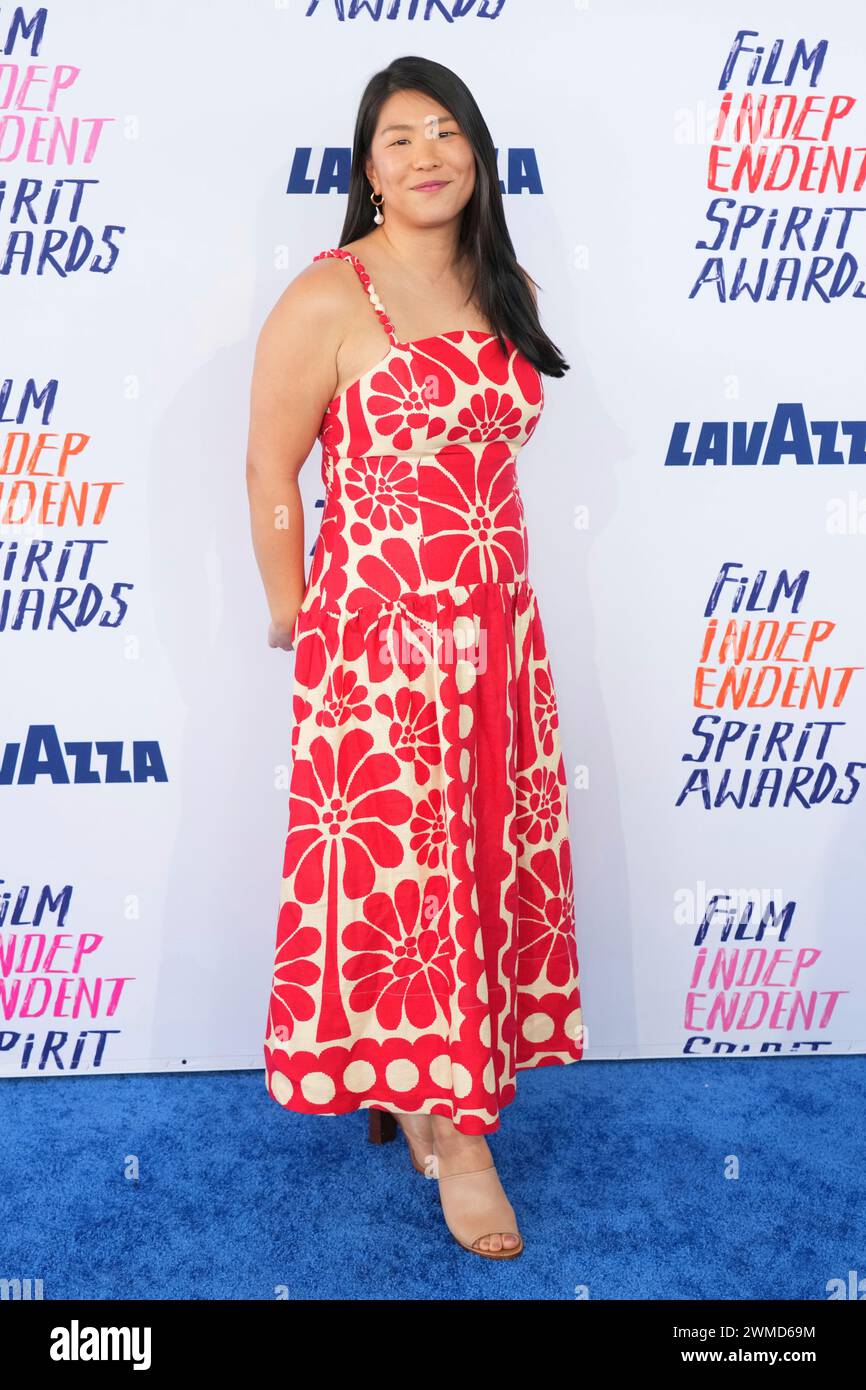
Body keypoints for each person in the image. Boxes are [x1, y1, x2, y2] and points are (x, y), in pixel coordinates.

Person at [246, 54, 583, 1261]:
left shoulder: (508, 286)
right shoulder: (330, 296)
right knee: (412, 885)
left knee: (472, 873)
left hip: (495, 639)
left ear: (477, 157)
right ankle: (462, 1136)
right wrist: (295, 612)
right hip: (378, 648)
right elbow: (269, 467)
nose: (427, 153)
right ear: (367, 170)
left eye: (447, 131)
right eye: (399, 138)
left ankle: (419, 1082)